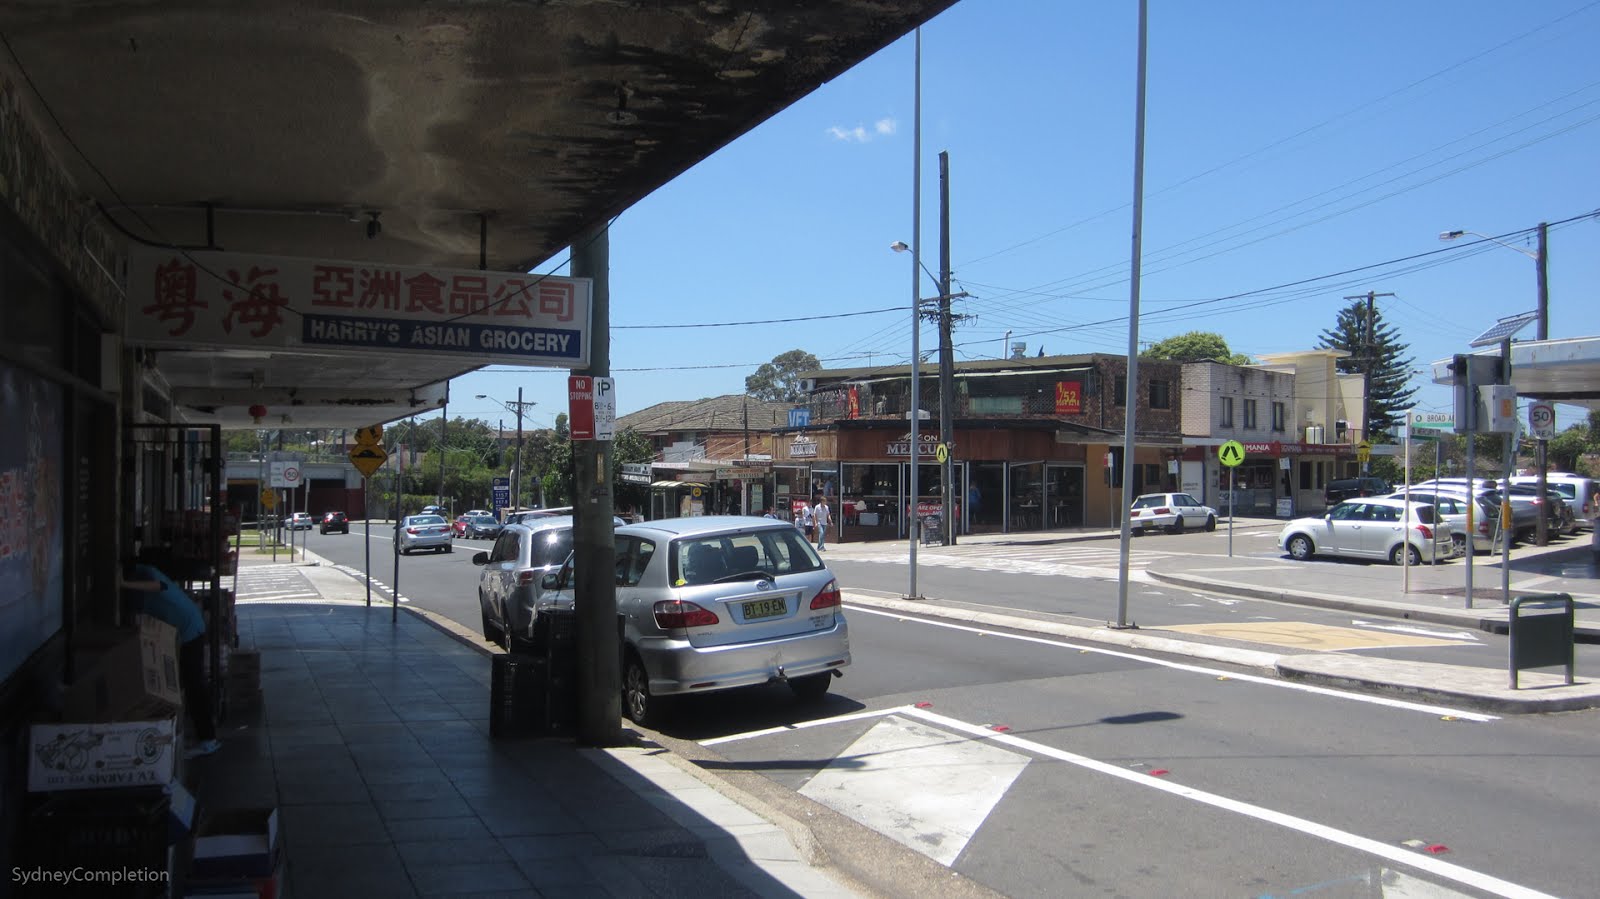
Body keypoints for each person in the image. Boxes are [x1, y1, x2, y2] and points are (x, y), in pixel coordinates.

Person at [121, 562, 220, 758]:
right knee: (191, 684)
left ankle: (208, 739)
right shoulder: (143, 589)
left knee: (194, 686)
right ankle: (203, 735)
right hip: (188, 630)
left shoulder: (150, 576)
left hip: (191, 631)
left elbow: (159, 586)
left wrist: (124, 584)